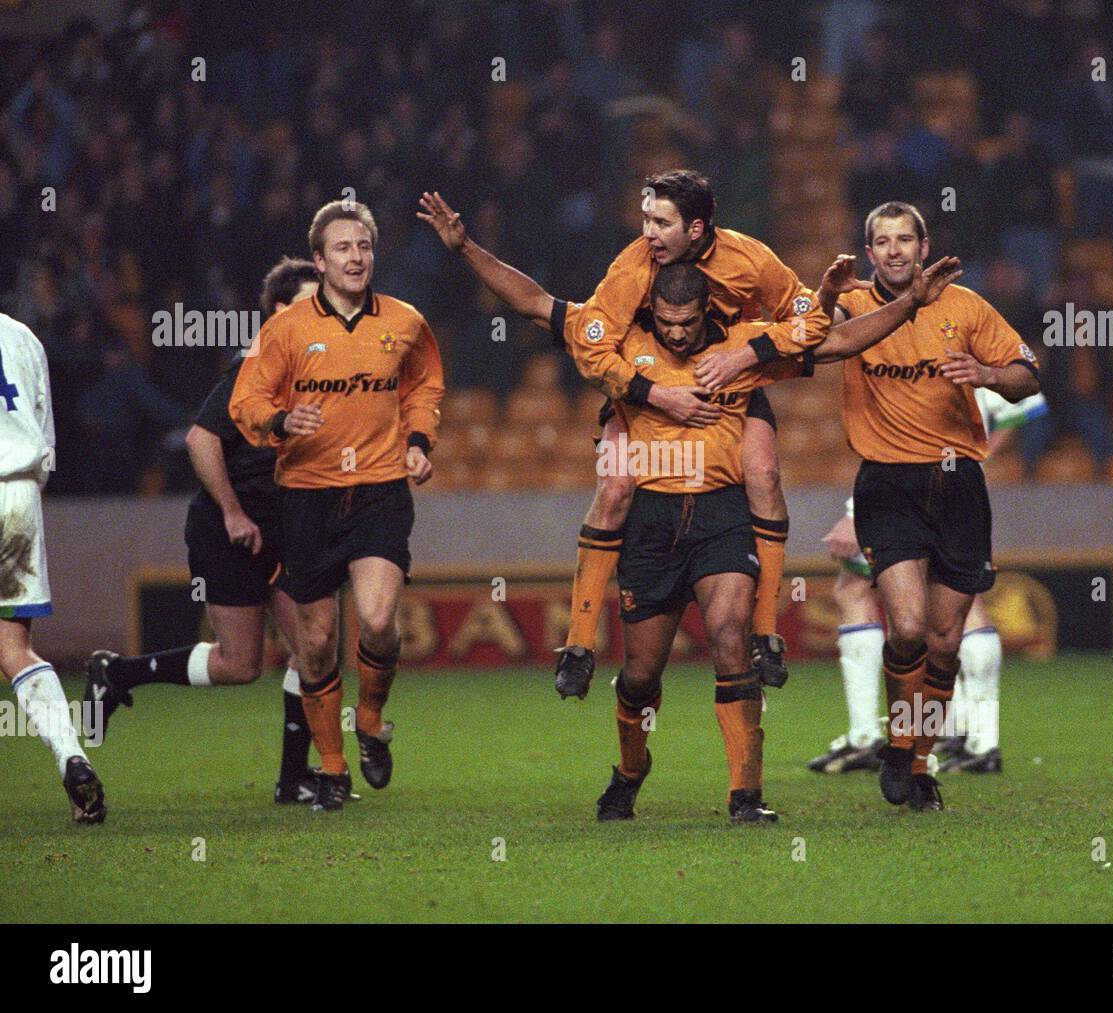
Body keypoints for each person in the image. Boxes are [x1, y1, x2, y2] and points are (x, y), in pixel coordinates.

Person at [416, 193, 960, 820]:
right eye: (666, 323)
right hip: (652, 524)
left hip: (719, 517)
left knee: (729, 640)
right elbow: (535, 302)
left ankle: (745, 795)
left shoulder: (742, 349)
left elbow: (836, 342)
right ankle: (627, 764)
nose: (676, 333)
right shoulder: (623, 340)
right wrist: (463, 248)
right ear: (652, 311)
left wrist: (908, 303)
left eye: (688, 322)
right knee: (643, 675)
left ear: (710, 310)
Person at [422, 169, 830, 700]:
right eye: (646, 219)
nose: (649, 232)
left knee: (765, 473)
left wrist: (745, 355)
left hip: (725, 381)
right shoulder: (631, 267)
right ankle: (578, 645)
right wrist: (658, 395)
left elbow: (812, 321)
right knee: (615, 488)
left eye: (662, 222)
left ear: (698, 227)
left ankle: (766, 634)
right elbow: (585, 346)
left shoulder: (752, 260)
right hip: (642, 391)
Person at [816, 201, 1040, 811]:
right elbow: (808, 344)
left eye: (904, 240)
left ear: (922, 245)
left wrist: (989, 373)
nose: (893, 250)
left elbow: (1029, 375)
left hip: (958, 485)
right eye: (881, 241)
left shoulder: (966, 307)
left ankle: (916, 760)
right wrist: (823, 292)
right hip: (887, 485)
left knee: (945, 642)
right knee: (908, 627)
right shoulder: (855, 304)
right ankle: (901, 741)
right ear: (869, 253)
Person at [84, 257, 325, 804]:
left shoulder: (316, 372)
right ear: (280, 313)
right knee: (240, 665)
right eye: (311, 304)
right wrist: (234, 512)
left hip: (284, 532)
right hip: (229, 529)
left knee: (313, 647)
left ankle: (294, 781)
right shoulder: (254, 366)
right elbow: (200, 439)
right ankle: (120, 674)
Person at [230, 201, 444, 811]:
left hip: (379, 491)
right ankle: (331, 767)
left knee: (377, 622)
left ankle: (370, 720)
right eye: (343, 249)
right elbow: (246, 401)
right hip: (305, 498)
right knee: (317, 642)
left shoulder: (404, 321)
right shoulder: (286, 330)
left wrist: (421, 440)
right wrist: (279, 419)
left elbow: (426, 383)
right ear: (320, 261)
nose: (356, 258)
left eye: (364, 247)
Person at [810, 383, 1046, 776]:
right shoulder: (972, 329)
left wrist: (855, 513)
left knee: (858, 592)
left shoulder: (901, 342)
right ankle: (973, 736)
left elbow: (901, 431)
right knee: (958, 607)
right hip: (958, 488)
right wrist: (972, 462)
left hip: (906, 494)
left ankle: (871, 737)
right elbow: (1025, 402)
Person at [0, 311, 105, 823]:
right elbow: (46, 438)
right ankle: (72, 756)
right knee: (13, 647)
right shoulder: (22, 336)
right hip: (18, 495)